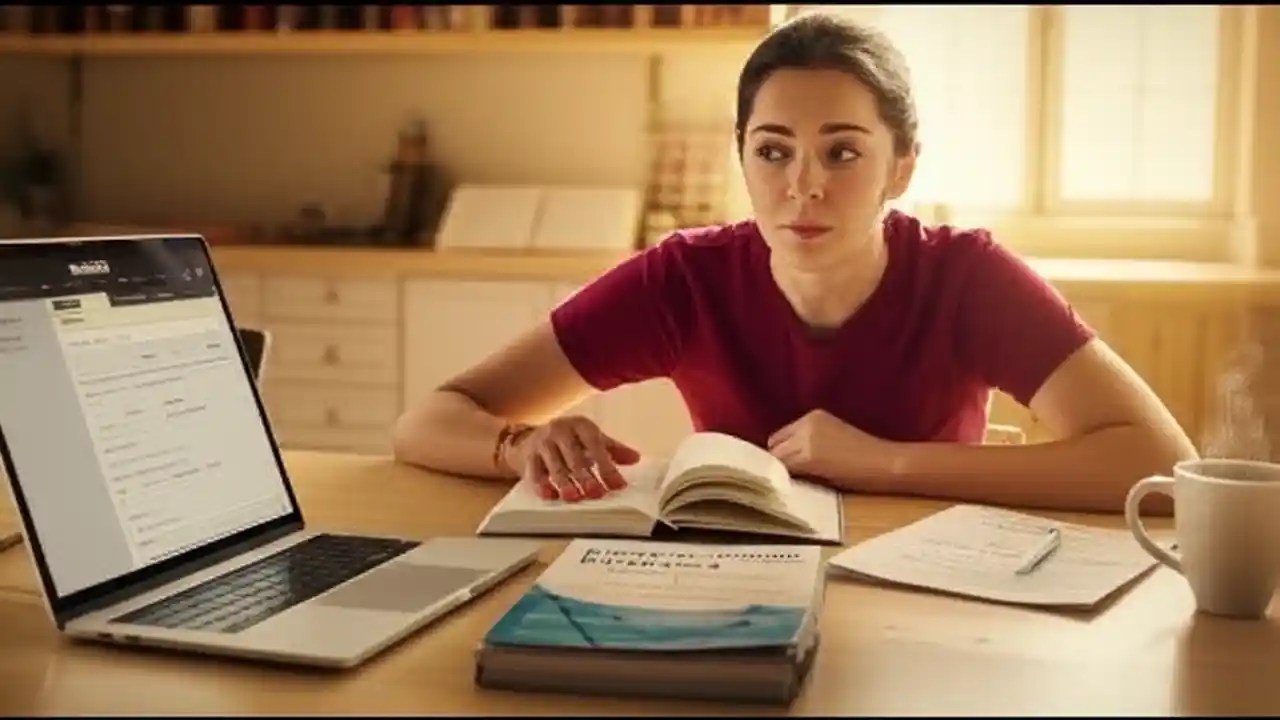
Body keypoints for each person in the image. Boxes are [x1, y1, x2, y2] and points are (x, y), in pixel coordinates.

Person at [392, 11, 1198, 513]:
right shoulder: (685, 280)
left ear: (902, 167)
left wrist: (883, 464)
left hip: (932, 597)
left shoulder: (965, 279)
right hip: (735, 597)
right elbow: (426, 422)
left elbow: (1162, 464)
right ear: (741, 157)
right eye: (772, 151)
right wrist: (517, 447)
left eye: (841, 152)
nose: (801, 186)